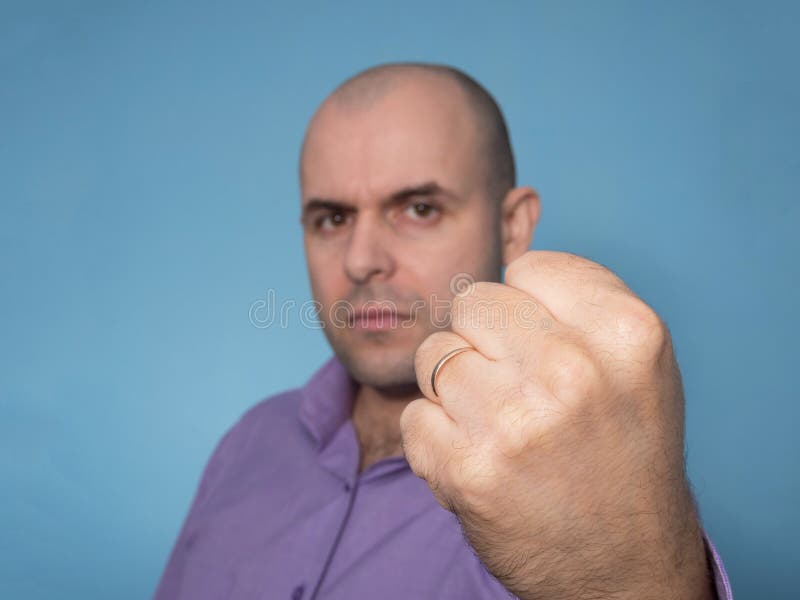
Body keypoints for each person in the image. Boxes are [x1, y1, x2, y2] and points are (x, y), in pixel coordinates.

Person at [154, 63, 732, 599]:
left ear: (511, 226)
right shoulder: (248, 442)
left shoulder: (576, 489)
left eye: (419, 208)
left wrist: (636, 571)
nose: (361, 260)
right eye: (332, 219)